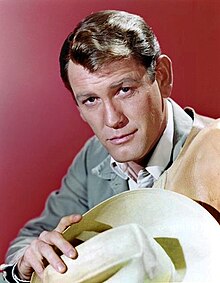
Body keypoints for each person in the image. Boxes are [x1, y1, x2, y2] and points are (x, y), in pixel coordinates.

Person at [1, 10, 219, 282]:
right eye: (91, 100)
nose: (113, 120)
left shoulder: (214, 151)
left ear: (161, 77)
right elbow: (28, 242)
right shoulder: (92, 157)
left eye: (124, 90)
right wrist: (24, 266)